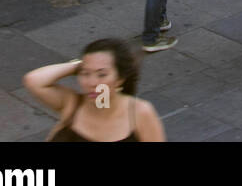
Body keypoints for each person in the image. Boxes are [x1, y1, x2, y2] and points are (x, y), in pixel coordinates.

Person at [23, 39, 165, 142]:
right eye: (85, 74)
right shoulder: (72, 103)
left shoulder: (139, 113)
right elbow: (34, 80)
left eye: (102, 75)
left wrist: (89, 67)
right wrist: (81, 65)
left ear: (120, 79)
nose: (92, 83)